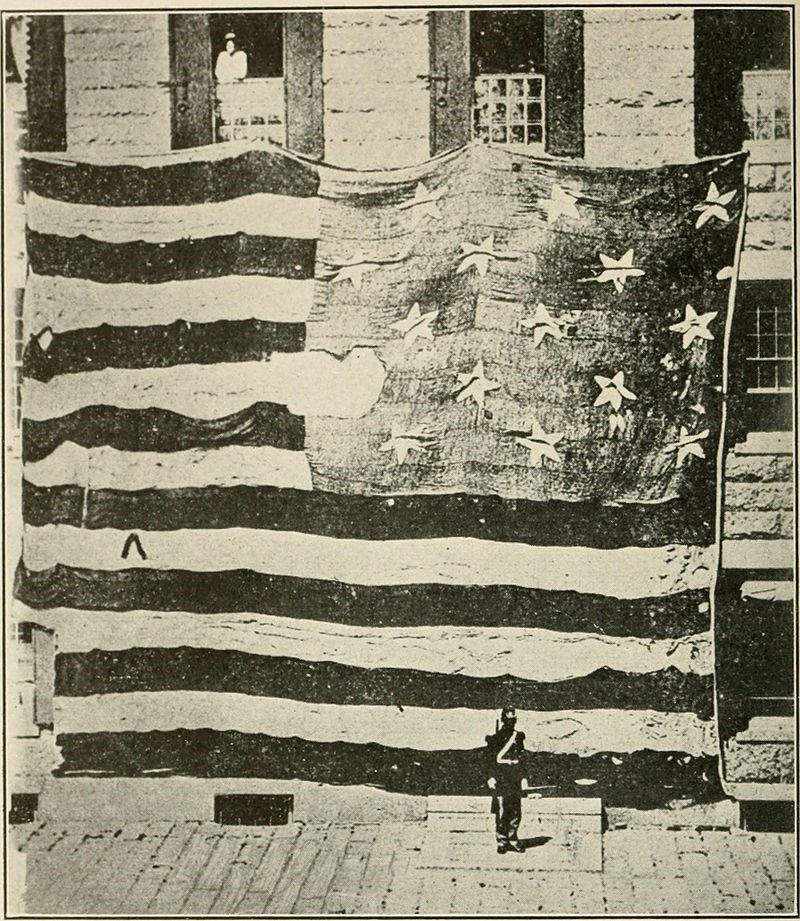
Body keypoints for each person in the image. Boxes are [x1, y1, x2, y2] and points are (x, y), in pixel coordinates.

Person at [486, 705, 526, 853]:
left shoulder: (519, 736)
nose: (511, 723)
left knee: (516, 811)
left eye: (513, 720)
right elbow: (490, 760)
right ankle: (502, 841)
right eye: (508, 720)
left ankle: (513, 839)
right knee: (502, 811)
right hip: (501, 777)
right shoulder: (495, 738)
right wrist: (491, 777)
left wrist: (523, 778)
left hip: (514, 777)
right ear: (503, 720)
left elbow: (522, 759)